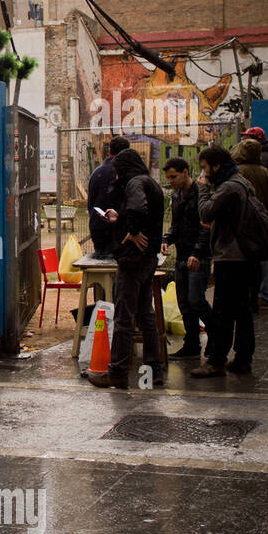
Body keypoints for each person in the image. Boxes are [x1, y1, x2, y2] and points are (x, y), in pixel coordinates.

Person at [88, 147, 165, 389]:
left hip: (132, 260)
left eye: (119, 173)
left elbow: (137, 209)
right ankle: (154, 371)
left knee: (123, 317)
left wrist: (130, 233)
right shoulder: (149, 182)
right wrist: (118, 219)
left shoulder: (134, 184)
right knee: (146, 315)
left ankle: (118, 372)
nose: (117, 179)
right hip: (148, 258)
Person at [192, 145, 257, 377]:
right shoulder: (242, 182)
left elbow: (205, 212)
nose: (204, 172)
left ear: (216, 165)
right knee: (242, 309)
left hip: (231, 256)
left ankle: (216, 360)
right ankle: (242, 358)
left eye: (205, 167)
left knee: (223, 310)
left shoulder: (229, 187)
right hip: (244, 255)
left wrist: (203, 189)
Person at [161, 157, 211, 358]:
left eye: (174, 176)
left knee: (196, 300)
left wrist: (197, 252)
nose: (171, 181)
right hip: (183, 255)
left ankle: (216, 337)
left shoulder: (200, 195)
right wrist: (166, 239)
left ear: (185, 172)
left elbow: (205, 228)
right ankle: (192, 344)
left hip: (198, 257)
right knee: (184, 302)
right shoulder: (177, 197)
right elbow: (176, 225)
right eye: (168, 178)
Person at [232, 138, 268, 313]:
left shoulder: (240, 171)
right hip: (263, 219)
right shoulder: (264, 171)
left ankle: (254, 298)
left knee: (248, 263)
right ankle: (267, 296)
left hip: (246, 221)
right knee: (264, 259)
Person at [246, 126, 268, 307]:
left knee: (264, 256)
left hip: (263, 214)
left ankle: (266, 295)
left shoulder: (262, 162)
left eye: (248, 139)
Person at [87, 135, 131, 258]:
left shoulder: (96, 172)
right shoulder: (125, 172)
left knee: (101, 269)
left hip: (97, 226)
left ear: (109, 150)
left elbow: (90, 202)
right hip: (118, 229)